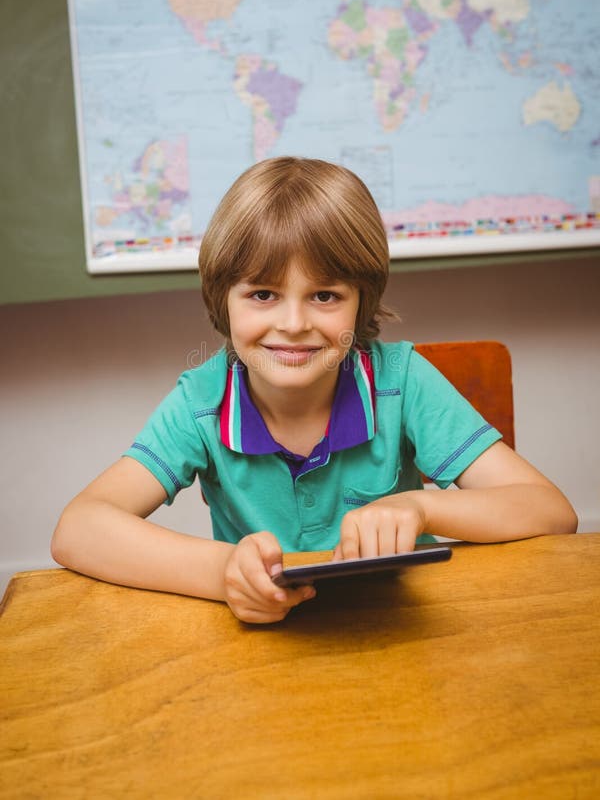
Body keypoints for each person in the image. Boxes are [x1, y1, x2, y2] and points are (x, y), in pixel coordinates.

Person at [51, 157, 577, 623]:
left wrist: (420, 508)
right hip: (265, 644)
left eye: (324, 294)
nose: (294, 322)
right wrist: (225, 574)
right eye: (263, 293)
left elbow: (550, 510)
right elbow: (79, 529)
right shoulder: (201, 403)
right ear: (223, 299)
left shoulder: (404, 380)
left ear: (361, 302)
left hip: (404, 629)